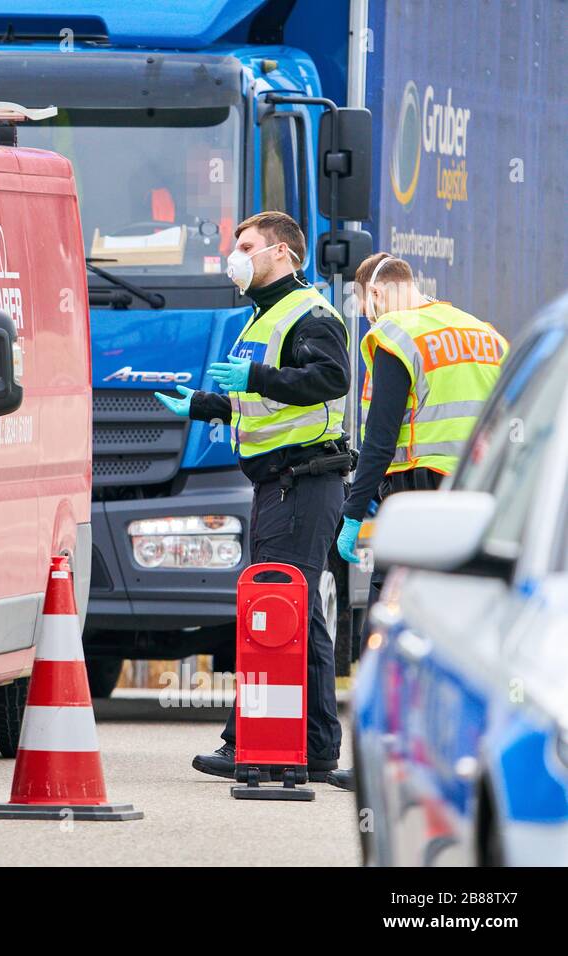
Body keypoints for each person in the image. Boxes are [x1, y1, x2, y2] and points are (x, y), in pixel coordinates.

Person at [156, 211, 351, 782]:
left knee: (274, 613)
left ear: (283, 254)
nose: (234, 256)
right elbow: (256, 402)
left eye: (246, 246)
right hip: (281, 484)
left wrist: (259, 379)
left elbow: (329, 379)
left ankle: (254, 741)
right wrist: (203, 405)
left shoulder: (309, 314)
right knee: (296, 614)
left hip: (303, 479)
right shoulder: (261, 319)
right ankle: (312, 746)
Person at [326, 253, 507, 791]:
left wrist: (353, 512)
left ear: (375, 294)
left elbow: (379, 440)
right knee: (464, 628)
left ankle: (378, 755)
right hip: (483, 498)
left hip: (422, 498)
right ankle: (459, 755)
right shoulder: (484, 334)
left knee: (389, 622)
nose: (364, 316)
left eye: (362, 305)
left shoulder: (396, 334)